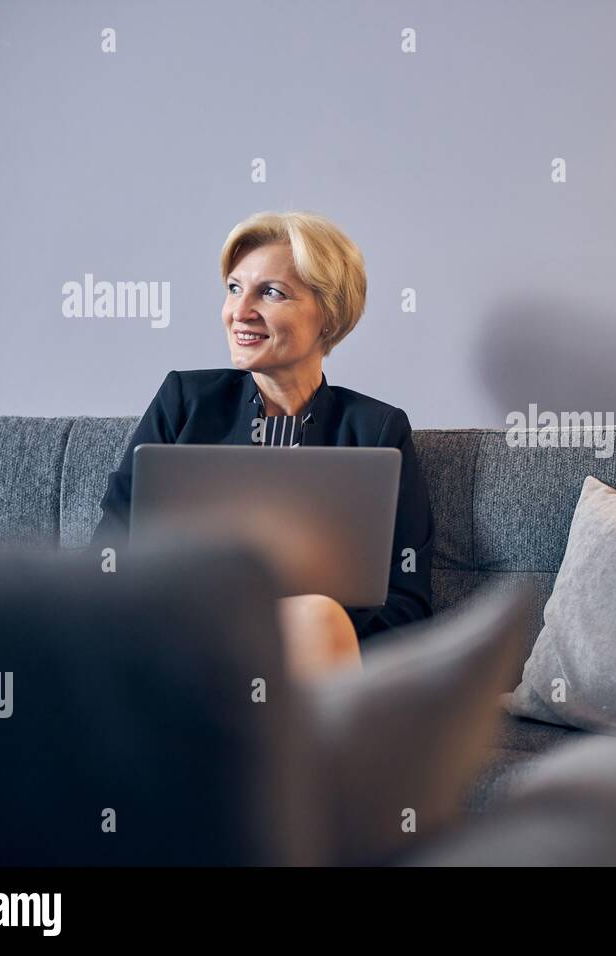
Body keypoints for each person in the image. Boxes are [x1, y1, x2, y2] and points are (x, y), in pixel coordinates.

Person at [90, 211, 434, 680]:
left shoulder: (377, 429)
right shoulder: (184, 401)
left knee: (314, 617)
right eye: (234, 288)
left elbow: (407, 605)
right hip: (176, 643)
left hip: (310, 663)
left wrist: (305, 626)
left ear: (328, 317)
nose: (240, 311)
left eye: (270, 292)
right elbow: (109, 553)